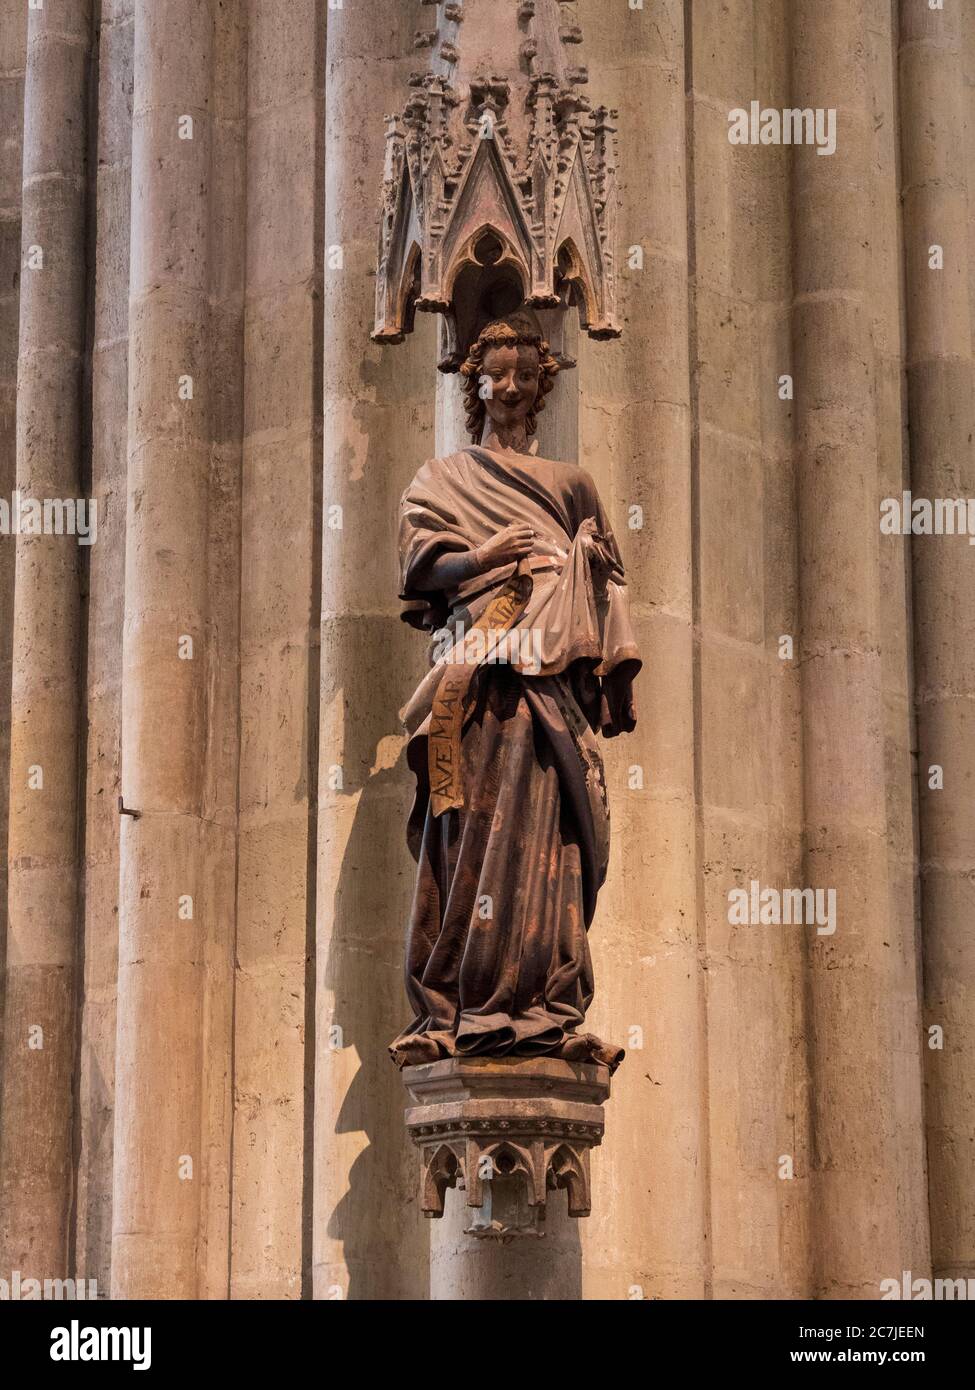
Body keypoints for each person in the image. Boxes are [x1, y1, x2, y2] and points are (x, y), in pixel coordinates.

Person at [389, 314, 641, 1072]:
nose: (508, 388)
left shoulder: (570, 485)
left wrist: (587, 568)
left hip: (549, 694)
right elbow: (420, 568)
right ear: (474, 382)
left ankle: (543, 1003)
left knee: (550, 843)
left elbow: (612, 592)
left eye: (523, 376)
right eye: (494, 374)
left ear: (542, 384)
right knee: (469, 838)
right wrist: (481, 558)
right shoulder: (441, 480)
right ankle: (461, 1002)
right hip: (476, 694)